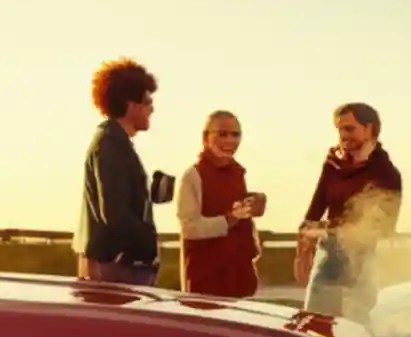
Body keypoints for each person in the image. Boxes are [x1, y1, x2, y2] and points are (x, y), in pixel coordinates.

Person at [295, 102, 402, 323]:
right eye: (340, 129)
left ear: (369, 129)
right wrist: (303, 250)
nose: (343, 135)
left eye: (349, 129)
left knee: (356, 329)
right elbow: (316, 207)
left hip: (362, 261)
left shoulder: (386, 173)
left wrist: (332, 229)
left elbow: (383, 227)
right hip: (328, 256)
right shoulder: (334, 164)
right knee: (316, 323)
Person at [72, 58, 162, 286]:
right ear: (130, 105)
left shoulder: (114, 143)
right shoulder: (110, 146)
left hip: (114, 265)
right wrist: (148, 242)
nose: (152, 108)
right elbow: (114, 214)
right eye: (148, 101)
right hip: (115, 268)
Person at [176, 110, 266, 297]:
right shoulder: (192, 176)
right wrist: (228, 220)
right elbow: (189, 227)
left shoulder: (237, 173)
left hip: (240, 275)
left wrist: (254, 205)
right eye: (222, 134)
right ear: (205, 138)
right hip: (207, 278)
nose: (230, 141)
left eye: (236, 135)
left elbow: (239, 215)